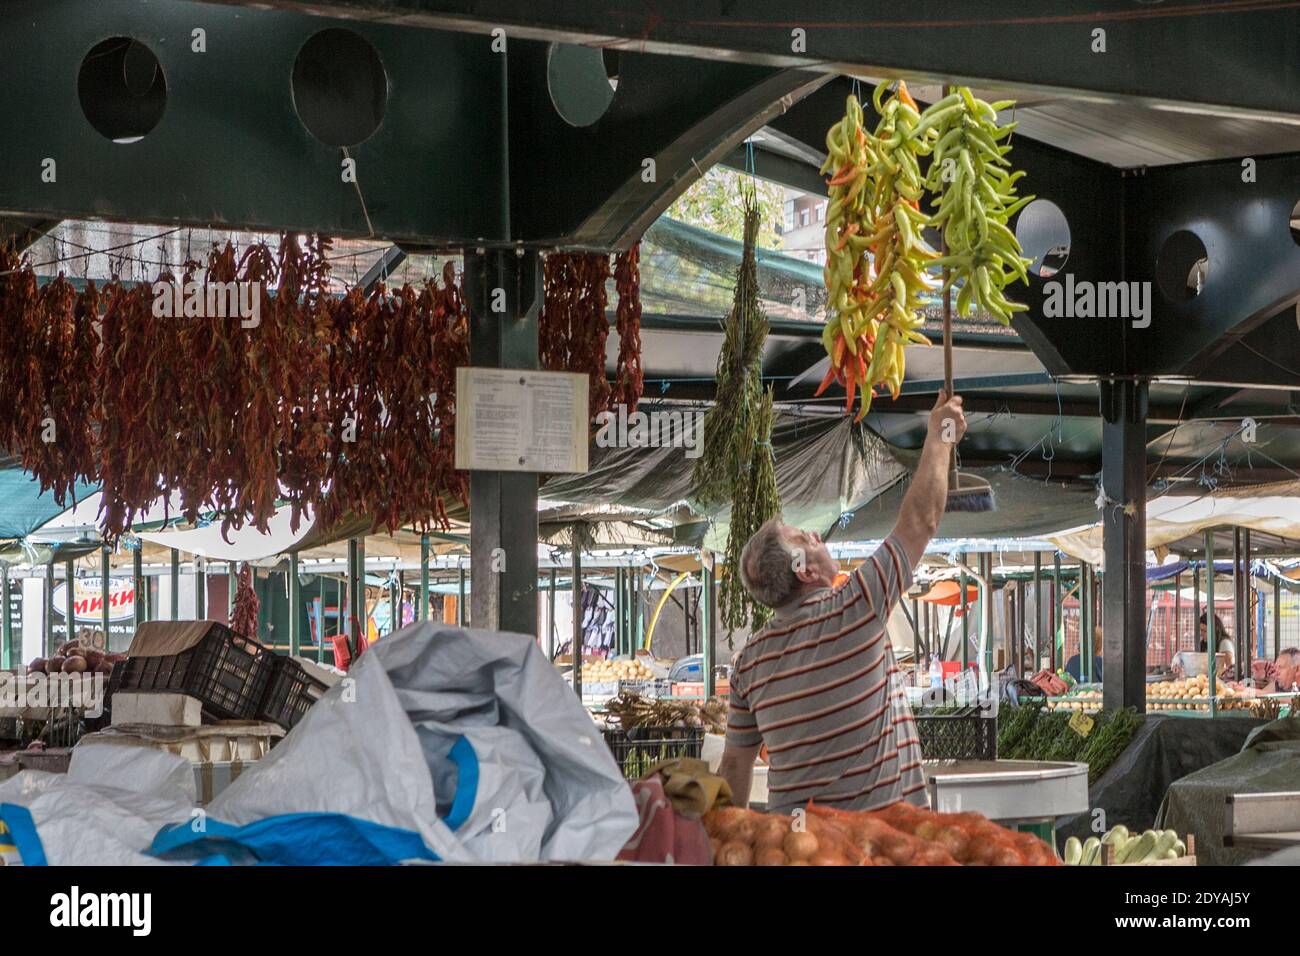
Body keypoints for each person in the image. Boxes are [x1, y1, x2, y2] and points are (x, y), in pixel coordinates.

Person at [717, 392, 966, 813]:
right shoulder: (855, 606)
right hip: (879, 848)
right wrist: (941, 435)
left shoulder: (749, 662)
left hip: (799, 852)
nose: (816, 536)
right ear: (804, 571)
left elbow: (734, 766)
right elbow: (920, 521)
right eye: (803, 537)